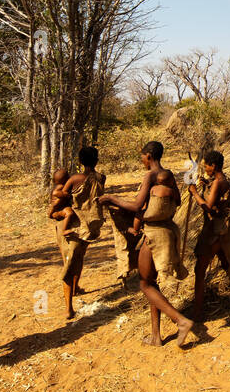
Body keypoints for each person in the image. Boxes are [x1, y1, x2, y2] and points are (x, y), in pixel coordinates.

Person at [99, 141, 194, 346]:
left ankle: (181, 321)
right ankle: (156, 336)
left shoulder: (150, 176)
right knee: (152, 283)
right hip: (169, 230)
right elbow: (177, 201)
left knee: (144, 284)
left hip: (153, 234)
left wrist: (112, 198)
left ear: (149, 156)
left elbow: (135, 205)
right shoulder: (168, 175)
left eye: (142, 157)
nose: (141, 160)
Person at [188, 149, 230, 321]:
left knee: (200, 271)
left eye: (206, 166)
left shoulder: (217, 183)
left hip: (215, 230)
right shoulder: (223, 179)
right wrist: (205, 183)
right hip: (226, 229)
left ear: (213, 166)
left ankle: (197, 313)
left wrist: (194, 192)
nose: (205, 168)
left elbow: (207, 206)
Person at [52, 146, 106, 318]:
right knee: (80, 257)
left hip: (74, 227)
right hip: (90, 227)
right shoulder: (101, 178)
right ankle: (76, 288)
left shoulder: (75, 179)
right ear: (96, 160)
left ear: (80, 162)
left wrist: (58, 193)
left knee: (68, 263)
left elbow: (64, 194)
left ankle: (68, 308)